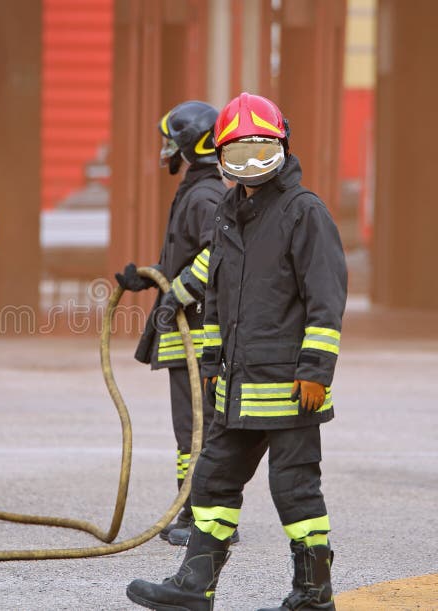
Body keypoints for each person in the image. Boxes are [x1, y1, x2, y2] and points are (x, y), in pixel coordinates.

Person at [126, 92, 348, 611]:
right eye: (239, 155)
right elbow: (219, 299)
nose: (251, 165)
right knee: (212, 480)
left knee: (295, 490)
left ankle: (313, 593)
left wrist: (317, 371)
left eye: (260, 152)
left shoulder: (304, 212)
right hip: (236, 384)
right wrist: (210, 364)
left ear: (282, 146)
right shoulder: (229, 212)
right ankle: (193, 586)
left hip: (291, 387)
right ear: (221, 155)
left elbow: (326, 298)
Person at [116, 101, 228, 546]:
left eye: (171, 142)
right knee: (191, 430)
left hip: (197, 335)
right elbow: (184, 258)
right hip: (188, 337)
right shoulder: (196, 190)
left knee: (198, 430)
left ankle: (205, 516)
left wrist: (180, 290)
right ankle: (193, 509)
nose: (166, 150)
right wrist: (147, 278)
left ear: (190, 146)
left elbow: (216, 254)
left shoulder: (204, 195)